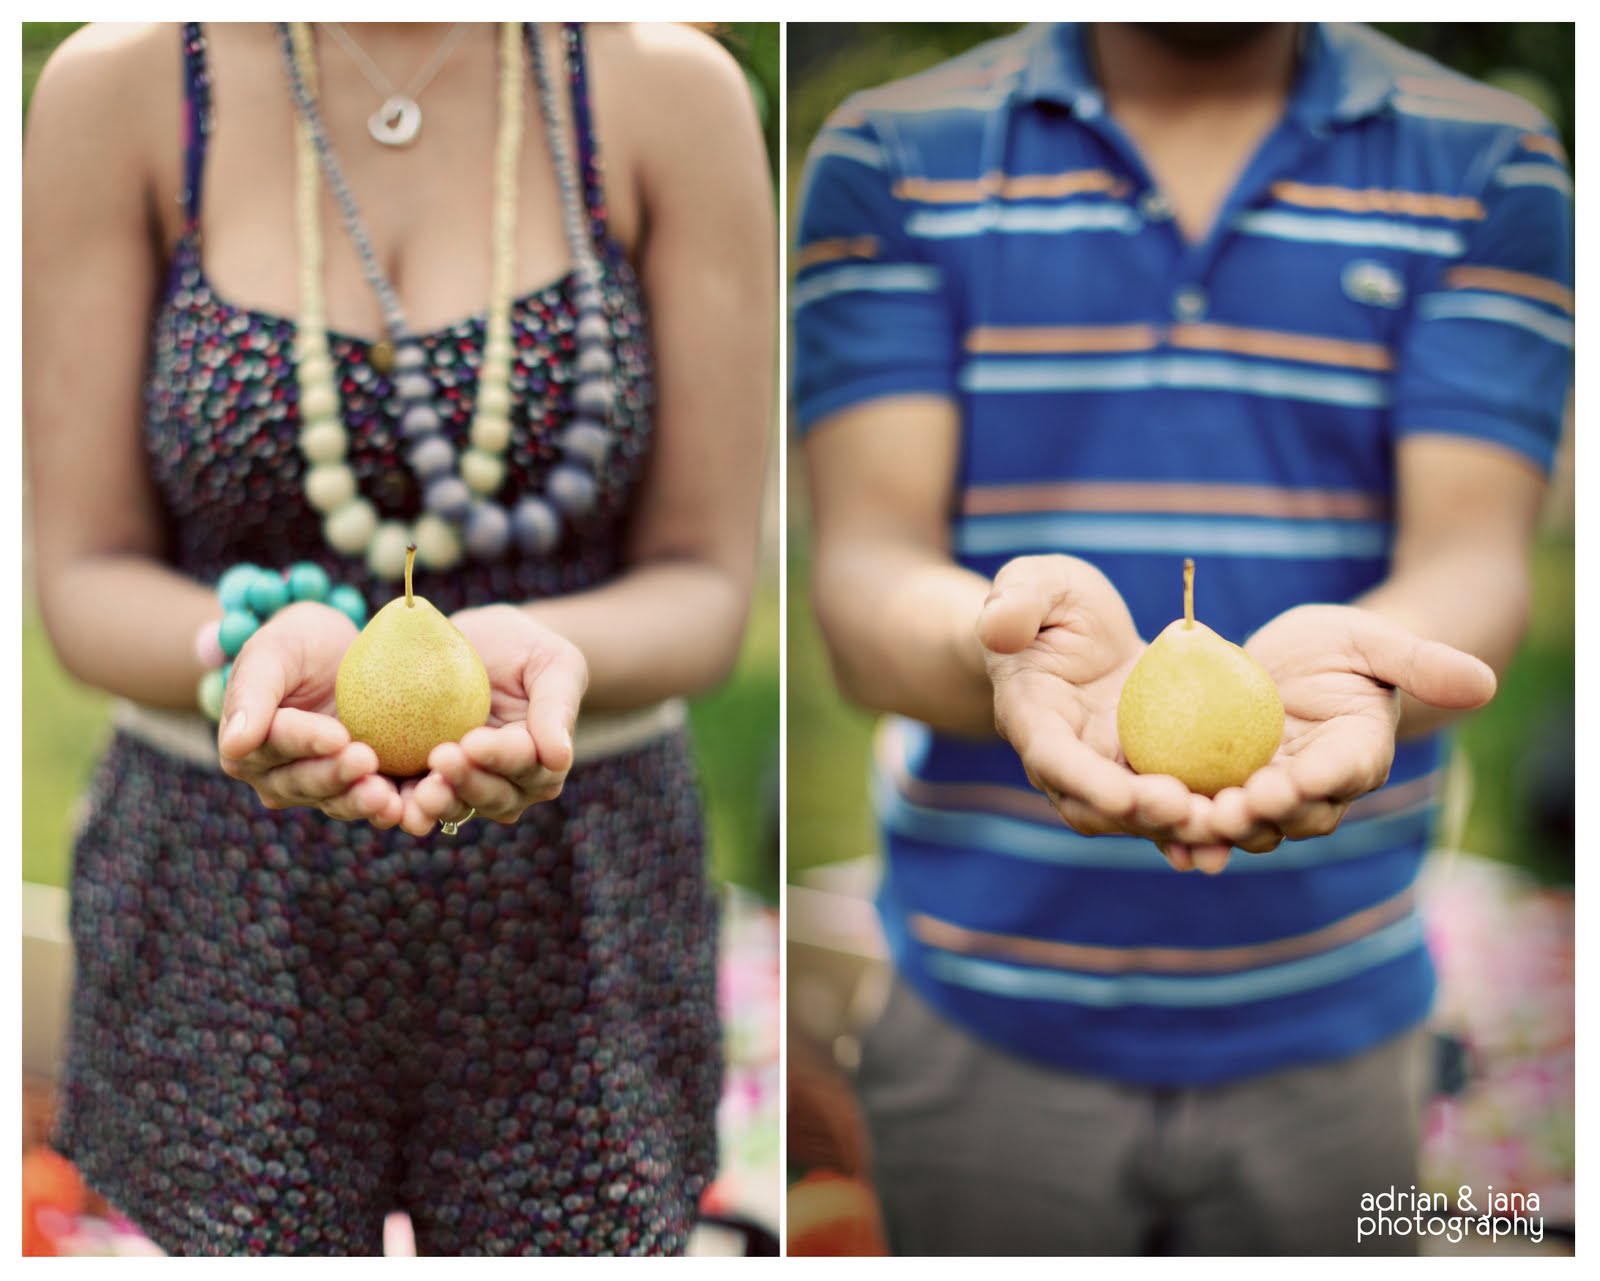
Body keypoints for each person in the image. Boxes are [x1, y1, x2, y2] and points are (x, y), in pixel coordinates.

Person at [794, 21, 1570, 1256]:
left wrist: (1371, 666)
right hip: (982, 1020)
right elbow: (862, 577)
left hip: (1337, 1025)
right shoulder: (893, 156)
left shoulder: (1486, 162)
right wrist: (1003, 650)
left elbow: (1473, 558)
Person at [24, 20, 773, 1256]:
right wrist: (260, 653)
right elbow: (86, 578)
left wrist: (523, 654)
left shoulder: (661, 88)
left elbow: (703, 583)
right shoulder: (126, 86)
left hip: (572, 899)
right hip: (227, 901)